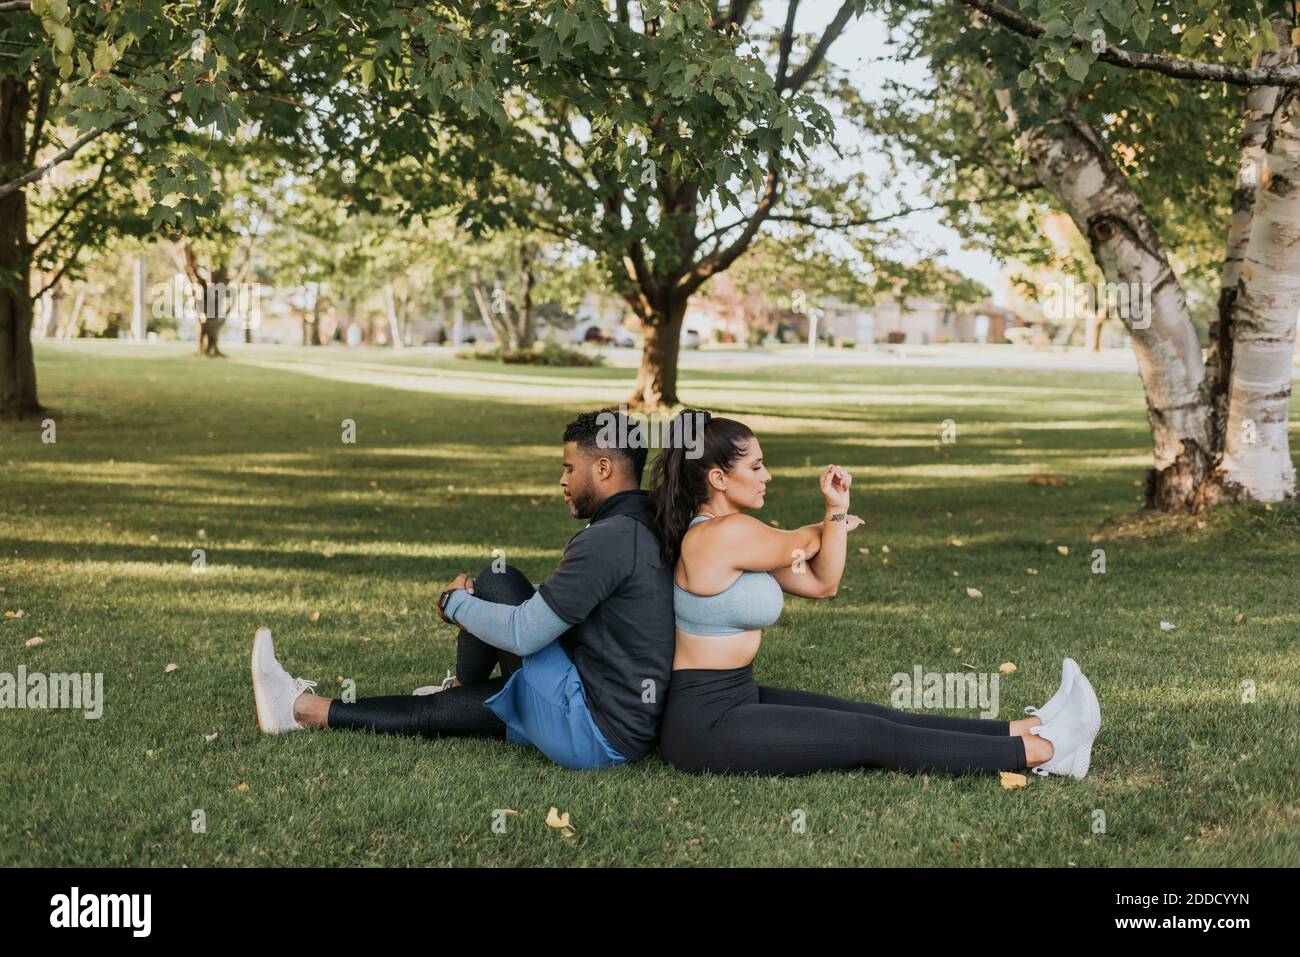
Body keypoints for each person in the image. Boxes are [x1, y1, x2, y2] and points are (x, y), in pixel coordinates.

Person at [648, 409, 1102, 779]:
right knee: (873, 736)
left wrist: (837, 513)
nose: (767, 475)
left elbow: (823, 583)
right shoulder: (723, 536)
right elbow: (805, 543)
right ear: (719, 479)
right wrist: (829, 519)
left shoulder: (742, 541)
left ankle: (1026, 727)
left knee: (880, 716)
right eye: (756, 466)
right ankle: (1045, 751)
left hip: (738, 695)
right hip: (706, 724)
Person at [250, 409, 676, 770]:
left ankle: (462, 684)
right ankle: (302, 710)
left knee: (496, 580)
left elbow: (525, 634)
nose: (562, 481)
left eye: (568, 468)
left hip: (590, 726)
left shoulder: (610, 538)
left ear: (603, 468)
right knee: (436, 715)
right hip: (617, 727)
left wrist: (455, 605)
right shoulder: (644, 522)